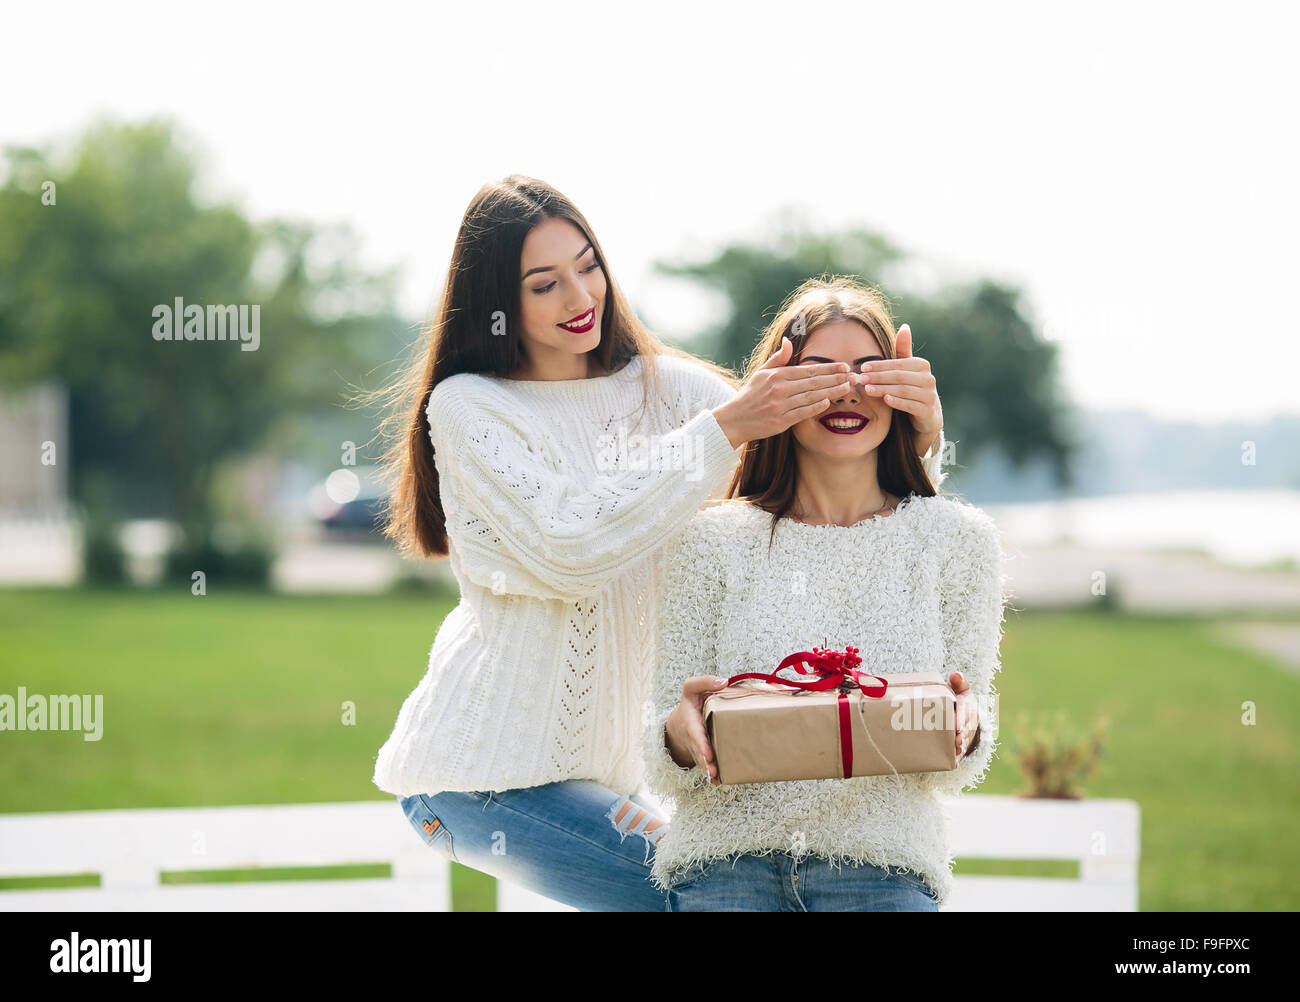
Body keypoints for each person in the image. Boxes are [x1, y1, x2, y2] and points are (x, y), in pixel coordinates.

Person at [366, 176, 947, 911]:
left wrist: (916, 427)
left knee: (728, 891)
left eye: (588, 266)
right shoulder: (472, 407)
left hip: (611, 779)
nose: (580, 298)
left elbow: (812, 475)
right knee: (704, 896)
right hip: (481, 782)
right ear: (497, 301)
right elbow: (570, 548)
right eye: (545, 284)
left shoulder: (668, 390)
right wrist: (725, 430)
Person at [645, 276, 1003, 912]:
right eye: (820, 373)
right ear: (776, 390)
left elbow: (966, 739)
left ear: (902, 389)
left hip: (883, 875)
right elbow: (660, 753)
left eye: (870, 371)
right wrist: (679, 734)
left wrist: (967, 728)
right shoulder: (710, 542)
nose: (849, 392)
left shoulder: (956, 541)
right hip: (725, 872)